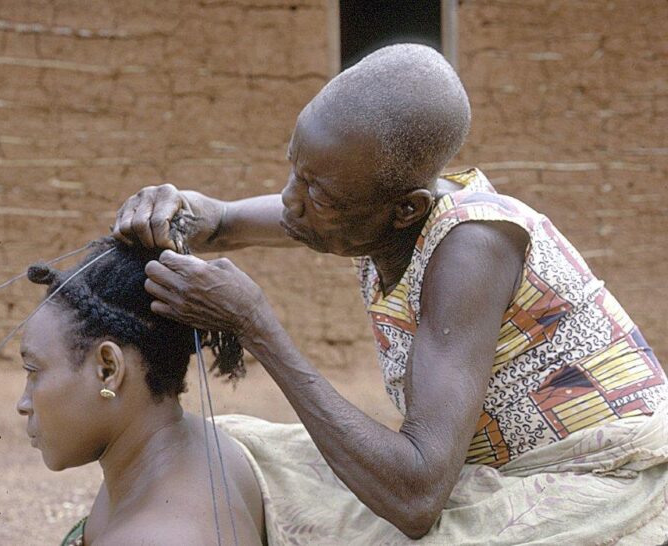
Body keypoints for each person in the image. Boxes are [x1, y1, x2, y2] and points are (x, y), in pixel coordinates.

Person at [111, 44, 668, 543]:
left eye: (319, 196)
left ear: (407, 209)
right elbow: (225, 220)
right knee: (227, 449)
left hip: (607, 482)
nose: (291, 203)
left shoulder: (472, 249)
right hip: (476, 477)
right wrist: (186, 211)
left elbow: (416, 497)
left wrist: (256, 326)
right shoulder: (356, 208)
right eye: (293, 169)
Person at [16, 237, 265, 546]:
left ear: (108, 369)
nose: (23, 404)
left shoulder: (159, 534)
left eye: (33, 372)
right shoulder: (198, 447)